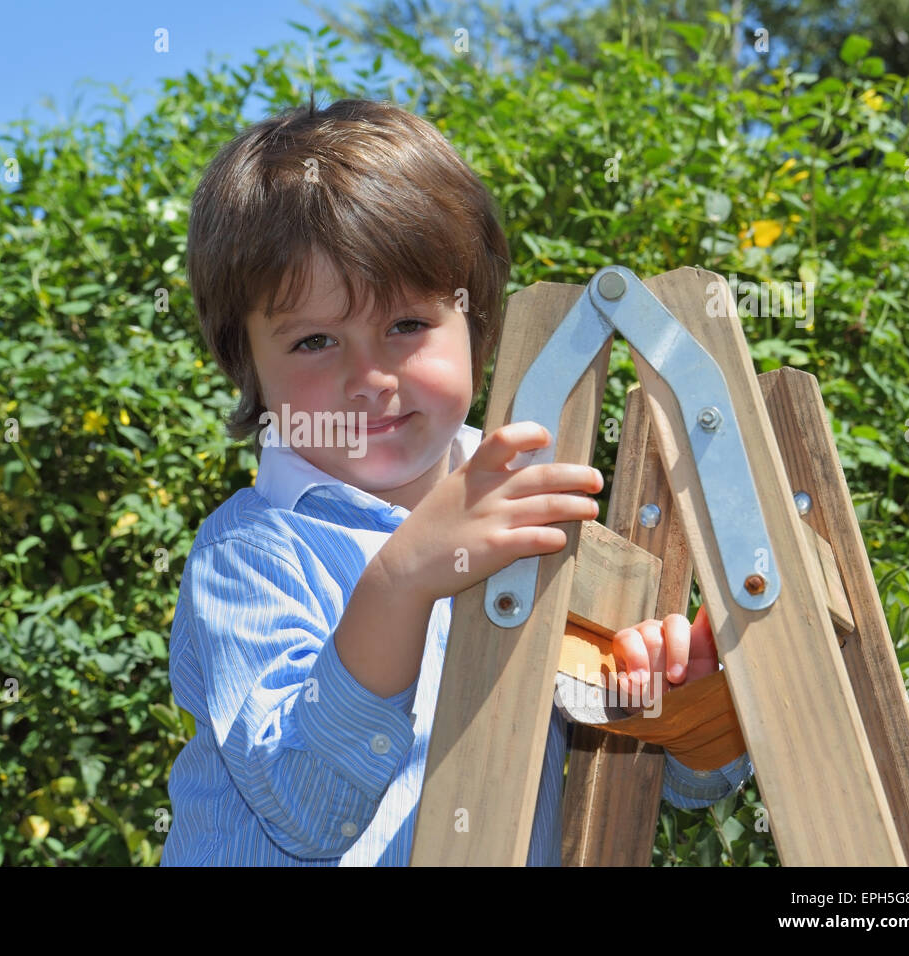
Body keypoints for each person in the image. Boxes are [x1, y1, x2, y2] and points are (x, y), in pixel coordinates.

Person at [161, 98, 753, 866]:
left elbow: (684, 789)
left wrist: (680, 704)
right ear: (249, 368)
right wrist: (401, 580)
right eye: (312, 340)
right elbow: (307, 811)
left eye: (406, 325)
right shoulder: (252, 555)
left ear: (477, 331)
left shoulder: (532, 522)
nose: (367, 380)